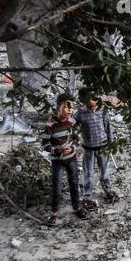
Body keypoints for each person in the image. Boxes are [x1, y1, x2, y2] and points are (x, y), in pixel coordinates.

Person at [42, 93, 88, 221]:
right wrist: (57, 149)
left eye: (71, 107)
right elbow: (45, 145)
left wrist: (72, 148)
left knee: (74, 183)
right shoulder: (50, 125)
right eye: (66, 107)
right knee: (57, 187)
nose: (70, 110)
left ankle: (77, 208)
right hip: (57, 161)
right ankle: (54, 213)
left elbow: (77, 140)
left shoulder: (72, 122)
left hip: (71, 159)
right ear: (58, 108)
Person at [75, 87, 118, 206]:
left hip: (103, 147)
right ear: (83, 100)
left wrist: (111, 142)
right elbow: (73, 127)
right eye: (90, 98)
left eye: (95, 98)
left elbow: (108, 127)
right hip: (88, 149)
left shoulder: (102, 111)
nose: (94, 100)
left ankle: (108, 190)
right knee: (88, 174)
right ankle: (87, 196)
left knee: (104, 172)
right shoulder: (80, 114)